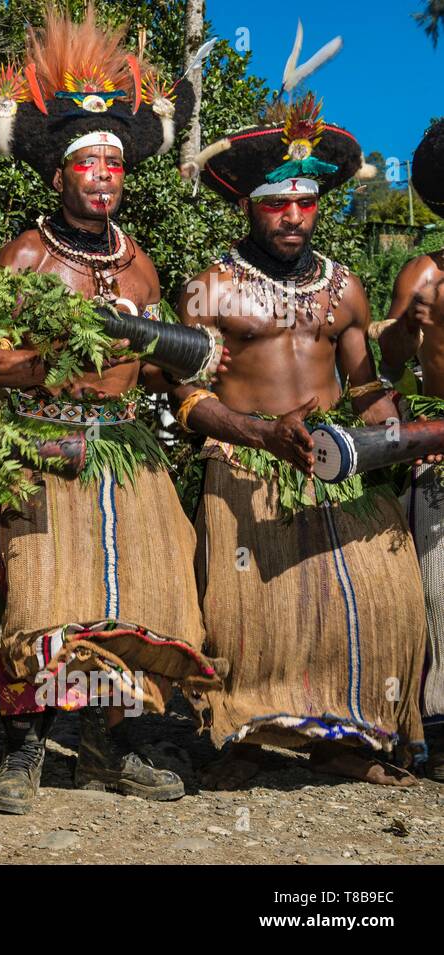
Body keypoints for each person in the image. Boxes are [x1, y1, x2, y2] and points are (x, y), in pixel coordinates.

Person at [0, 7, 221, 815]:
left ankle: (111, 742)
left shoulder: (141, 263)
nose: (104, 174)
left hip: (128, 450)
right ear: (58, 176)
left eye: (113, 162)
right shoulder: (25, 255)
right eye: (88, 163)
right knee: (43, 594)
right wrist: (53, 361)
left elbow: (165, 365)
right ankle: (26, 742)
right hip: (44, 444)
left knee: (136, 590)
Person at [173, 58, 424, 787]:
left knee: (377, 595)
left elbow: (367, 383)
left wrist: (391, 439)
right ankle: (246, 734)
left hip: (331, 462)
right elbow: (185, 400)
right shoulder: (210, 288)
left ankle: (346, 737)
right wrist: (255, 434)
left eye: (306, 204)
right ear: (249, 206)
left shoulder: (345, 287)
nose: (292, 217)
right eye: (277, 204)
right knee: (249, 607)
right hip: (246, 463)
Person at [370, 116, 444, 782]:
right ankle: (432, 730)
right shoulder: (423, 273)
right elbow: (387, 368)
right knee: (434, 595)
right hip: (439, 453)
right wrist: (403, 327)